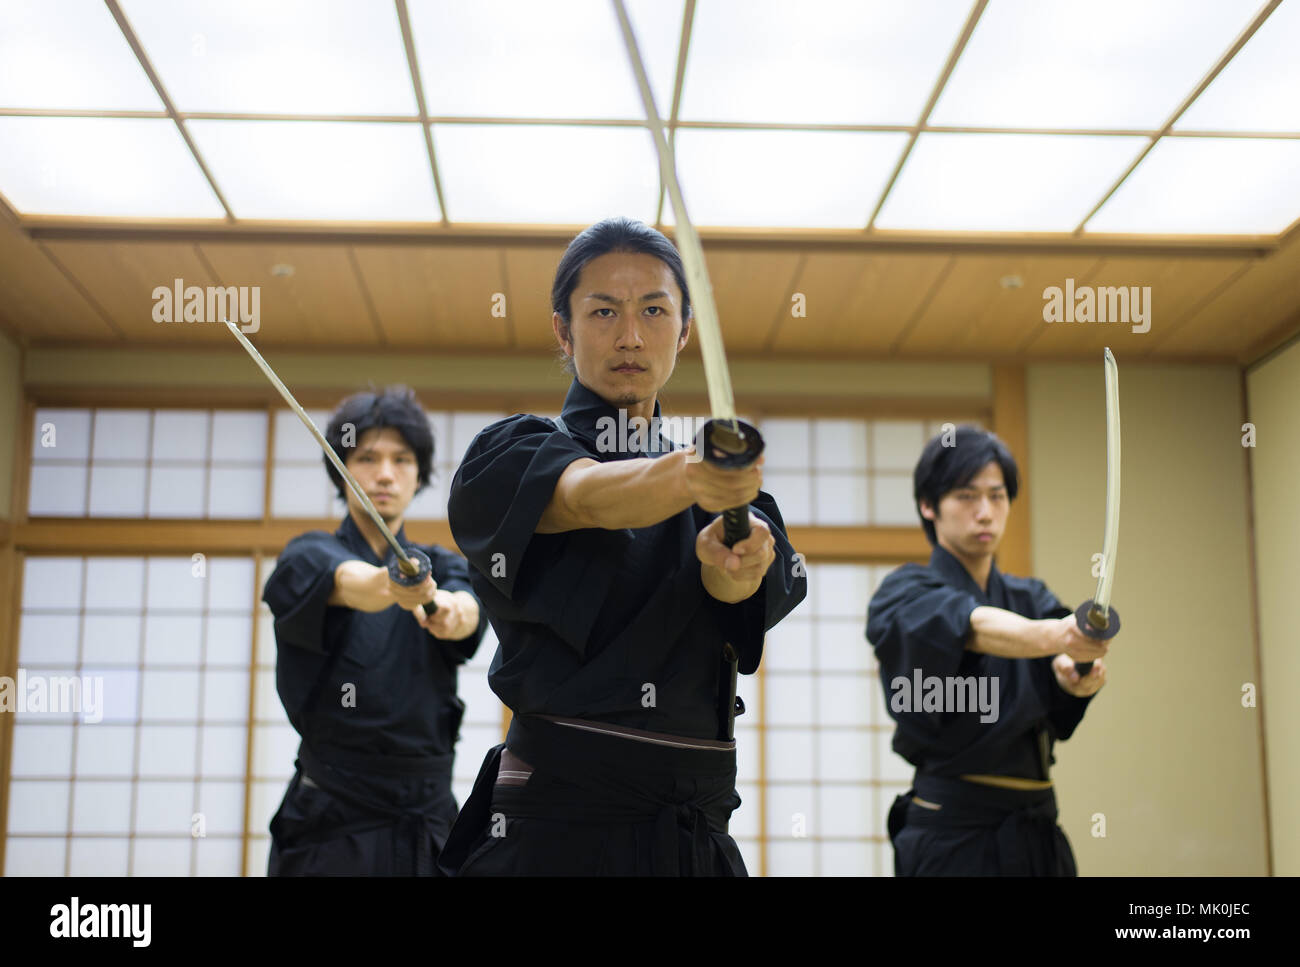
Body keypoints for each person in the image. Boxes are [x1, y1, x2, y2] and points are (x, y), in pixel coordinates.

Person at [439, 216, 807, 876]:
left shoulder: (734, 497)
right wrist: (691, 475)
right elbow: (585, 495)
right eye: (603, 310)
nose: (630, 336)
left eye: (654, 310)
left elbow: (737, 596)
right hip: (559, 827)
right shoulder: (511, 452)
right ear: (563, 329)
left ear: (686, 330)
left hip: (697, 830)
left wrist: (735, 567)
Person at [866, 425, 1111, 876]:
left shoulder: (1031, 598)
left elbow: (1064, 671)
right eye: (966, 496)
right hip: (953, 833)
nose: (985, 513)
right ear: (928, 505)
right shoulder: (904, 592)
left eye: (997, 497)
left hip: (1036, 827)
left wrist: (1076, 676)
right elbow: (970, 624)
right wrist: (1054, 637)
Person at [262, 386, 486, 875]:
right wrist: (394, 585)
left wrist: (445, 609)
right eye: (366, 458)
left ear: (419, 475)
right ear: (340, 471)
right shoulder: (308, 556)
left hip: (427, 816)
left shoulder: (444, 566)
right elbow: (352, 583)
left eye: (402, 460)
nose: (385, 474)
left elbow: (466, 610)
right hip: (332, 817)